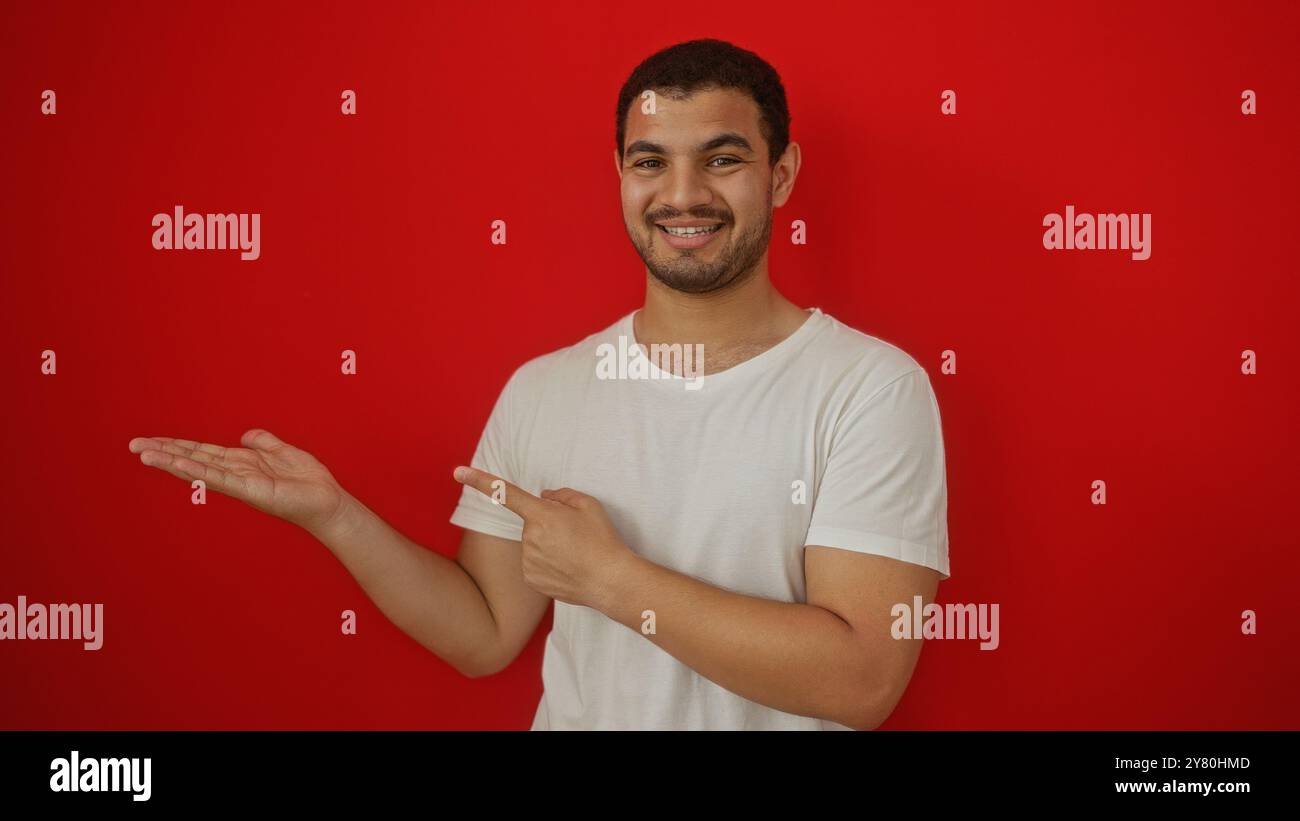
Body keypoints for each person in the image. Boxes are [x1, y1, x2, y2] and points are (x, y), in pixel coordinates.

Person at [129, 38, 950, 730]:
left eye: (723, 159)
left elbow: (863, 679)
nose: (683, 194)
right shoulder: (545, 388)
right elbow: (485, 633)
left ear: (780, 174)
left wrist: (611, 580)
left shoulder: (872, 389)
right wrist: (337, 517)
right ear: (621, 176)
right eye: (650, 161)